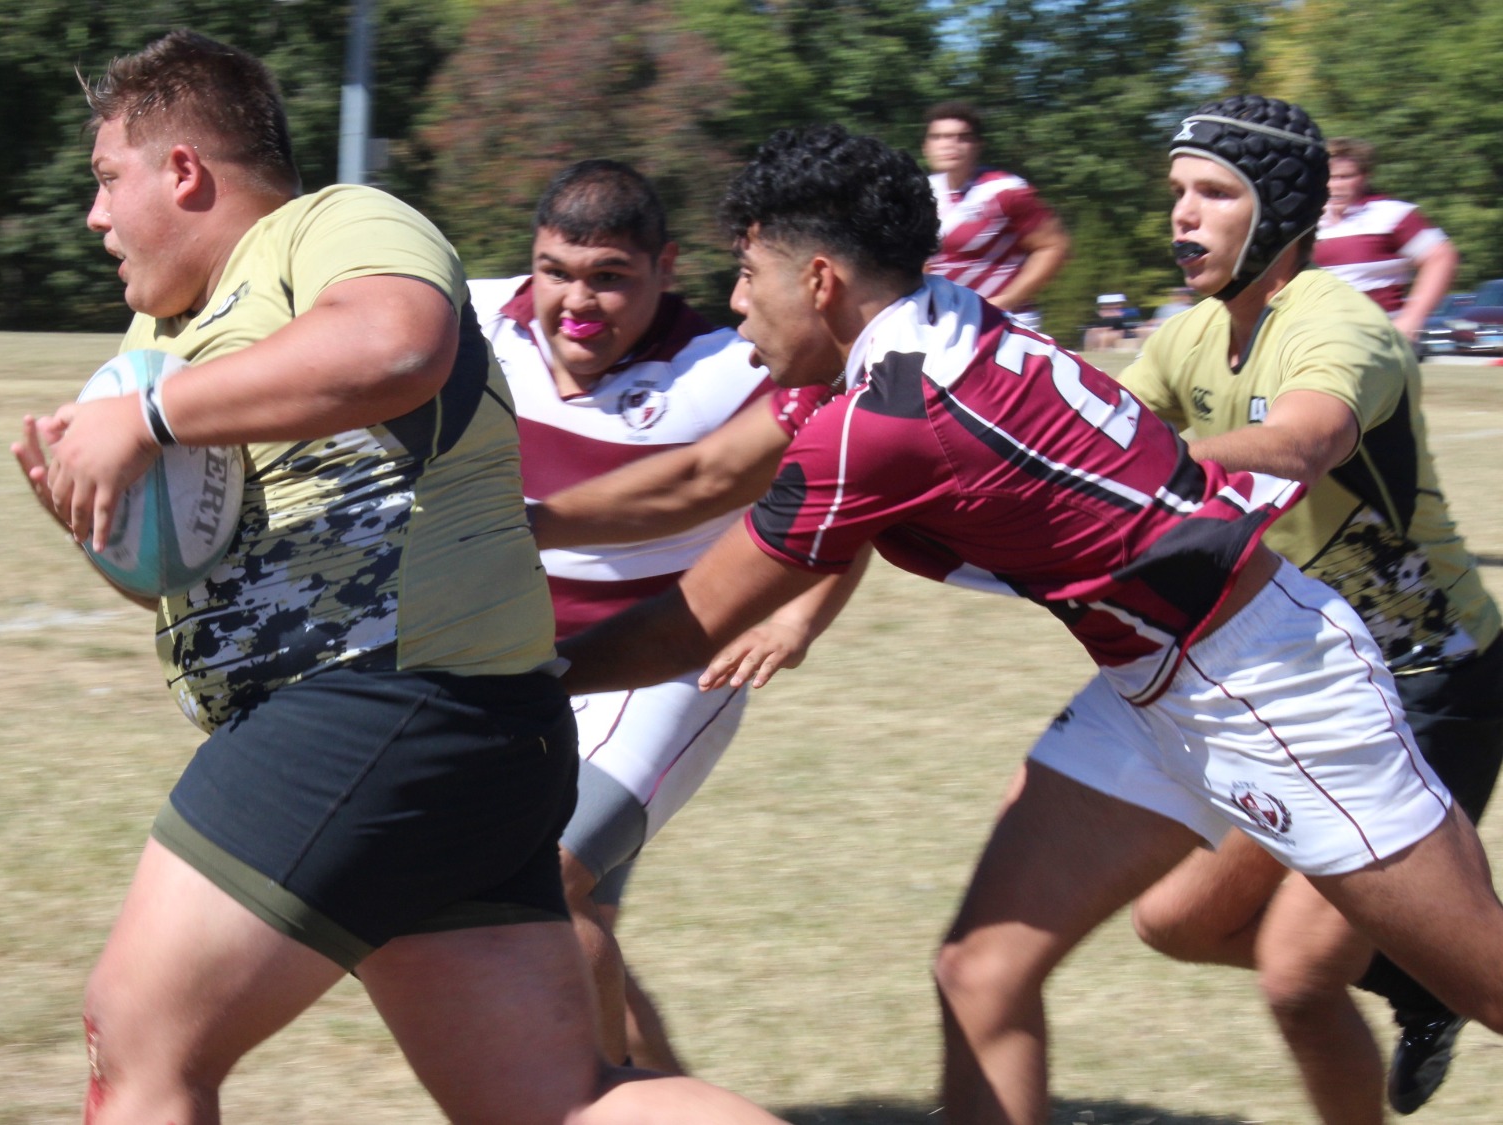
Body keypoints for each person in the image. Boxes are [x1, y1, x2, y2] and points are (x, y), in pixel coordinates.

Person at [555, 119, 1503, 1125]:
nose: (735, 300)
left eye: (746, 273)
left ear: (821, 281)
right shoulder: (919, 329)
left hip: (1271, 686)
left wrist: (506, 675)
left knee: (1481, 985)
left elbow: (683, 629)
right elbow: (706, 475)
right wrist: (526, 518)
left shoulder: (884, 418)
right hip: (1151, 684)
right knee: (981, 969)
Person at [9, 30, 784, 1125]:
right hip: (455, 731)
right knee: (554, 1105)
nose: (93, 216)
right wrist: (111, 526)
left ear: (182, 169)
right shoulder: (166, 335)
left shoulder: (331, 226)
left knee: (139, 1039)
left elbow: (395, 344)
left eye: (104, 179)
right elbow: (201, 575)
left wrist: (143, 416)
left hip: (379, 697)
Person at [1120, 97, 1503, 1121]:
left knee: (1296, 977)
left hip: (1428, 681)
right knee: (1172, 924)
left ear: (1277, 205)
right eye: (1175, 194)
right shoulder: (1186, 335)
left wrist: (1148, 463)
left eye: (1211, 194)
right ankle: (1423, 977)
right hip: (1304, 685)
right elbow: (1089, 426)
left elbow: (1301, 443)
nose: (1180, 217)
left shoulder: (1339, 325)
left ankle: (1437, 973)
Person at [473, 158, 858, 1069]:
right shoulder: (474, 316)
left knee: (546, 887)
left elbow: (856, 488)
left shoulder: (737, 364)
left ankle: (610, 1101)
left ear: (666, 268)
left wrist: (799, 616)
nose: (575, 303)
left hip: (667, 664)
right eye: (555, 271)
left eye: (609, 278)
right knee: (575, 917)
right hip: (509, 661)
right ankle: (666, 1094)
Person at [922, 101, 1070, 334]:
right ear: (926, 147)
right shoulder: (921, 192)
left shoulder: (1006, 190)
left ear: (979, 145)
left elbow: (1054, 246)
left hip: (1004, 321)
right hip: (943, 320)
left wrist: (1008, 300)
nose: (949, 145)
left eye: (962, 137)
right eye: (939, 137)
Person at [1316, 137, 1461, 344]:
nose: (1335, 185)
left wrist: (1412, 317)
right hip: (1317, 336)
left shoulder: (1393, 214)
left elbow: (1441, 257)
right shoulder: (1307, 219)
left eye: (1345, 177)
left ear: (1365, 176)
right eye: (1329, 177)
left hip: (1375, 338)